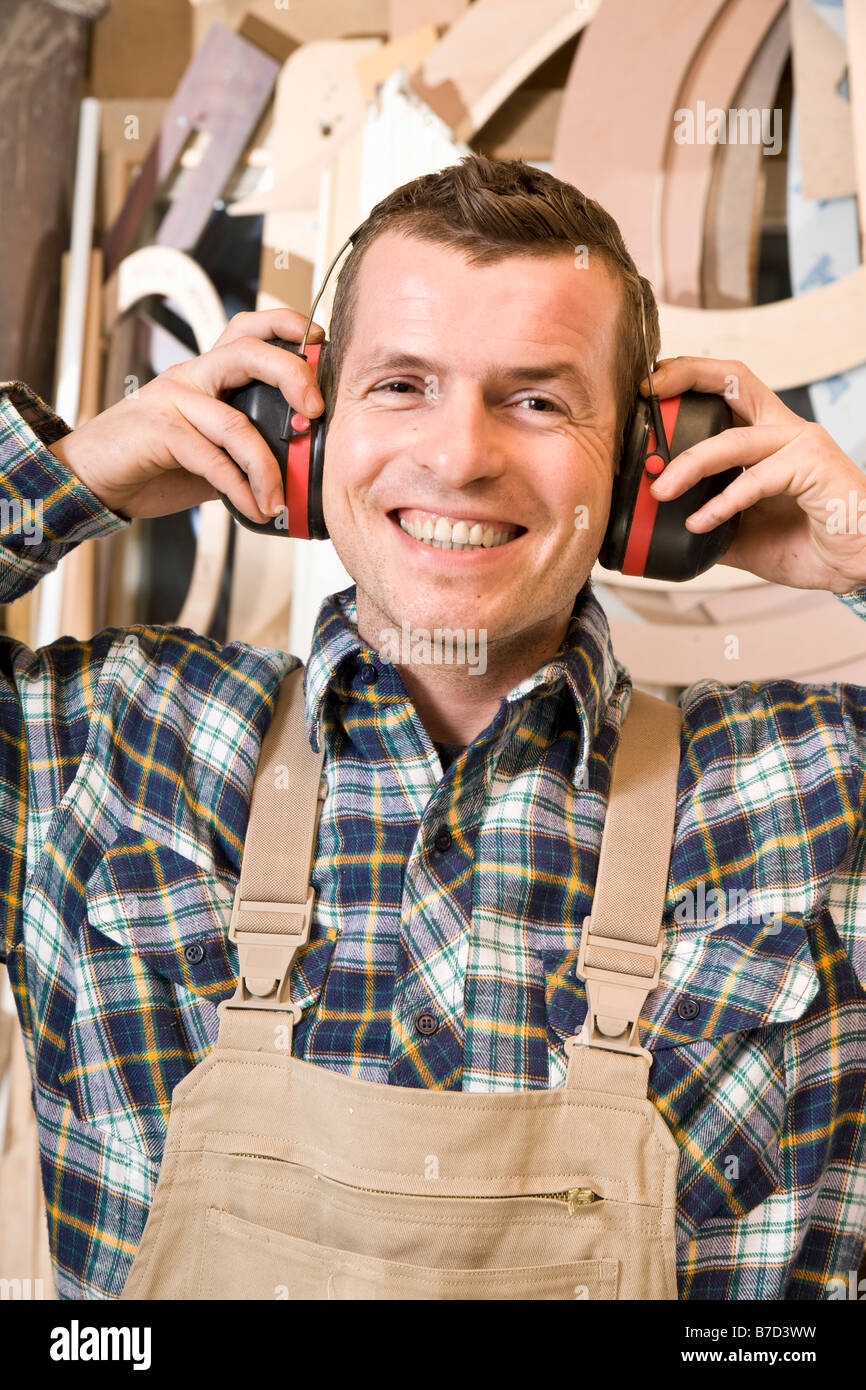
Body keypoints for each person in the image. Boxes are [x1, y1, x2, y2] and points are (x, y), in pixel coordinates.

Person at [1, 155, 864, 1301]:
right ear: (297, 441)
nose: (459, 456)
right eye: (401, 385)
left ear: (636, 479)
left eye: (537, 398)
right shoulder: (100, 749)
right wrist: (70, 473)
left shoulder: (816, 792)